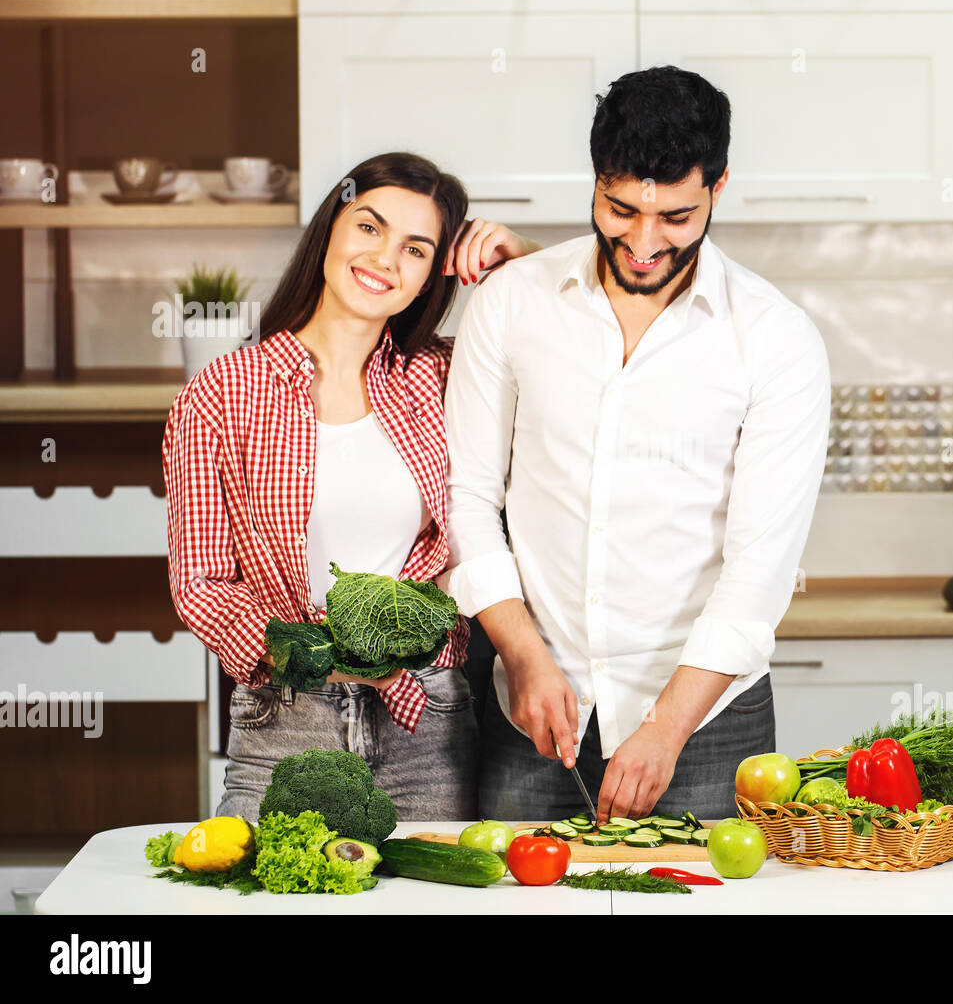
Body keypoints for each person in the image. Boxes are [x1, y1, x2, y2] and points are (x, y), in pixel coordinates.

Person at [439, 67, 831, 823]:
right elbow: (469, 497)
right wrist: (522, 653)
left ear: (718, 188)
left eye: (676, 217)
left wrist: (666, 725)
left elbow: (759, 571)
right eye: (620, 209)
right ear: (594, 181)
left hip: (707, 726)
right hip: (532, 710)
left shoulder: (777, 340)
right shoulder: (513, 303)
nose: (644, 243)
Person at [163, 151, 541, 822]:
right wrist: (322, 659)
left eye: (416, 248)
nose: (386, 258)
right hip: (284, 720)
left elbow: (577, 349)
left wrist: (525, 261)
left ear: (432, 275)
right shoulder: (222, 392)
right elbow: (201, 585)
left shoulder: (445, 375)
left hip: (428, 722)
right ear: (331, 227)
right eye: (370, 226)